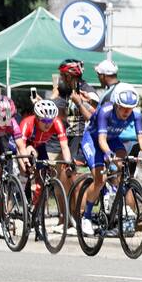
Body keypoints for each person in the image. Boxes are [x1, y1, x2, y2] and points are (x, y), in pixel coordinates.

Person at [79, 84, 142, 237]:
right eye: (123, 108)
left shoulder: (136, 114)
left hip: (113, 139)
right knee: (99, 179)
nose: (127, 111)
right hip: (93, 140)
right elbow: (101, 139)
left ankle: (118, 198)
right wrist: (108, 154)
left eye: (130, 108)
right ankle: (86, 216)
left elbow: (141, 137)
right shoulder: (105, 111)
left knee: (123, 165)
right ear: (116, 104)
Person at [52, 59, 99, 190]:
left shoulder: (87, 92)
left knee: (75, 181)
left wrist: (80, 103)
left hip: (83, 140)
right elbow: (63, 115)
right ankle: (66, 210)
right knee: (61, 181)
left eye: (62, 75)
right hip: (70, 140)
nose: (61, 78)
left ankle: (79, 209)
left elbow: (93, 118)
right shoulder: (68, 91)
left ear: (69, 76)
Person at [19, 97, 74, 183]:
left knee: (45, 173)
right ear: (37, 118)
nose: (48, 124)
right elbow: (20, 147)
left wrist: (68, 164)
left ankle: (40, 193)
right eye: (45, 120)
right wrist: (25, 164)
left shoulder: (57, 123)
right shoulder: (27, 123)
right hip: (25, 145)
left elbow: (64, 146)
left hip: (40, 145)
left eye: (51, 120)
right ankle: (22, 185)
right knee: (28, 160)